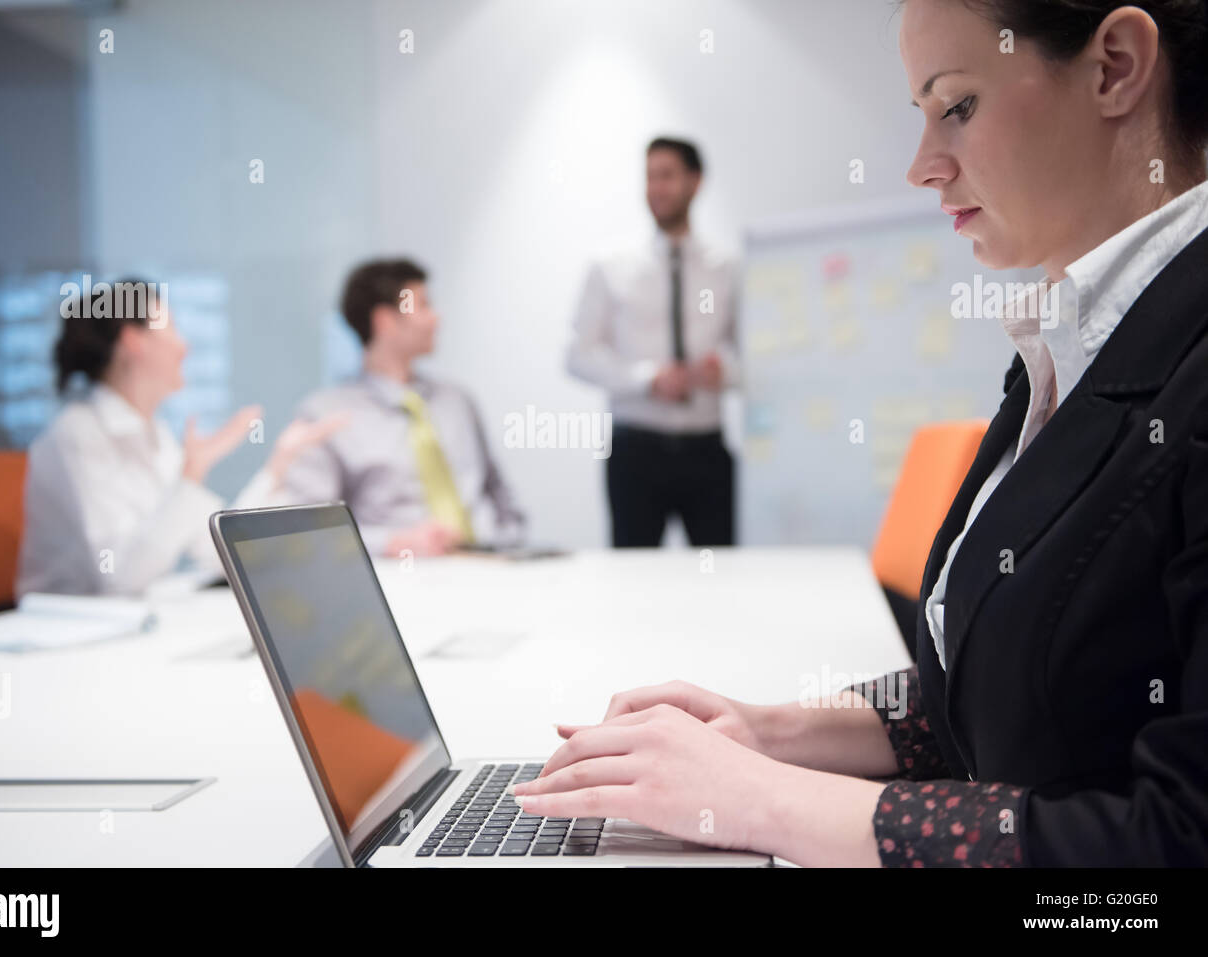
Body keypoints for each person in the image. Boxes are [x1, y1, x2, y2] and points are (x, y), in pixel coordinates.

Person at [513, 0, 1208, 866]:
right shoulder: (1071, 343)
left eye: (956, 106)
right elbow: (1030, 676)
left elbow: (1175, 847)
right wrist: (771, 731)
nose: (921, 165)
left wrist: (761, 801)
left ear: (1113, 67)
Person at [17, 279, 343, 597]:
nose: (184, 346)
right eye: (171, 328)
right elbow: (119, 579)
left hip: (133, 619)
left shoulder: (154, 433)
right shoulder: (77, 434)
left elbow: (216, 551)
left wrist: (278, 464)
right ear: (134, 340)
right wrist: (190, 477)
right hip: (70, 630)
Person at [275, 258, 526, 558]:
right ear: (385, 320)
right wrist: (392, 543)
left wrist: (508, 541)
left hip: (489, 568)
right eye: (423, 306)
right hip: (400, 580)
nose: (436, 318)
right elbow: (311, 529)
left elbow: (500, 495)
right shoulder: (323, 415)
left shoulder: (458, 401)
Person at [566, 137, 741, 548]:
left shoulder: (728, 267)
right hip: (635, 453)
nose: (655, 189)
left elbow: (753, 353)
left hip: (707, 450)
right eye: (649, 177)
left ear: (695, 182)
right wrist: (647, 379)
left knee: (721, 578)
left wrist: (725, 372)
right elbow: (577, 355)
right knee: (631, 580)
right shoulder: (610, 266)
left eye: (666, 176)